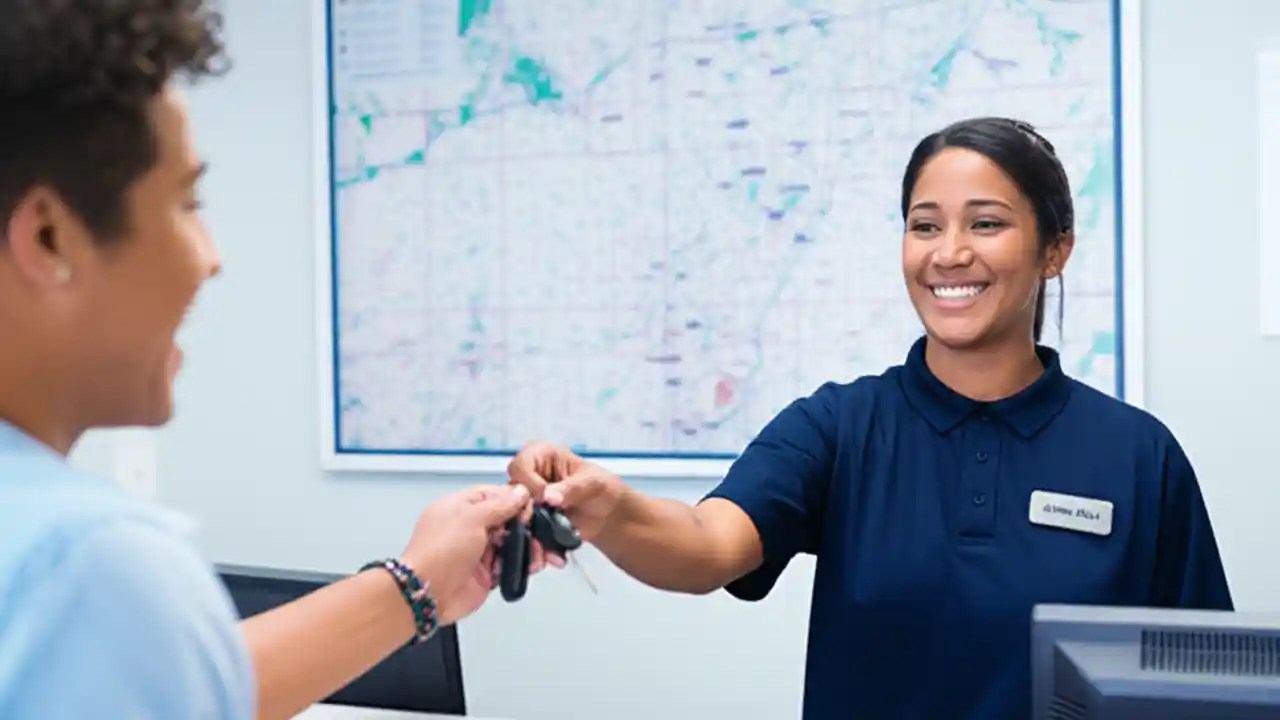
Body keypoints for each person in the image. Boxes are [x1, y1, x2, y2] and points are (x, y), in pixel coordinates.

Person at [508, 116, 1233, 719]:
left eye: (986, 223)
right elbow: (707, 545)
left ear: (1055, 250)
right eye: (925, 226)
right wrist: (611, 510)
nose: (950, 253)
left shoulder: (1139, 456)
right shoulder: (839, 427)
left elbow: (1206, 684)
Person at [0, 3, 554, 719]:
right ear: (49, 237)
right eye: (186, 203)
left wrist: (415, 586)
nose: (210, 258)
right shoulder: (87, 570)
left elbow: (194, 686)